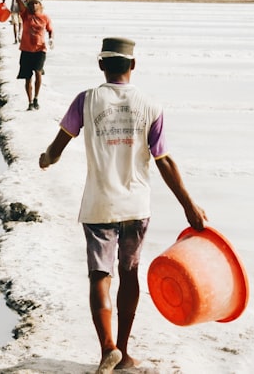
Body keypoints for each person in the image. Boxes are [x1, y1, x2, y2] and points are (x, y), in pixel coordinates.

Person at [38, 37, 207, 374]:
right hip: (136, 205)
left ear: (102, 65)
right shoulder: (150, 105)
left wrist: (46, 159)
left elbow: (58, 146)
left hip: (100, 204)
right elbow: (164, 160)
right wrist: (189, 205)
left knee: (100, 276)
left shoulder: (86, 101)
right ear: (133, 65)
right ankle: (125, 353)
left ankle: (107, 350)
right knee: (129, 273)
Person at [16, 0, 54, 110]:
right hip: (26, 50)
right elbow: (18, 0)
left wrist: (51, 39)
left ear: (40, 5)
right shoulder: (25, 15)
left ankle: (37, 98)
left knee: (38, 72)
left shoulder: (45, 18)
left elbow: (50, 30)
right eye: (31, 4)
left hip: (40, 50)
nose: (33, 6)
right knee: (28, 78)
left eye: (35, 3)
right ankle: (30, 102)